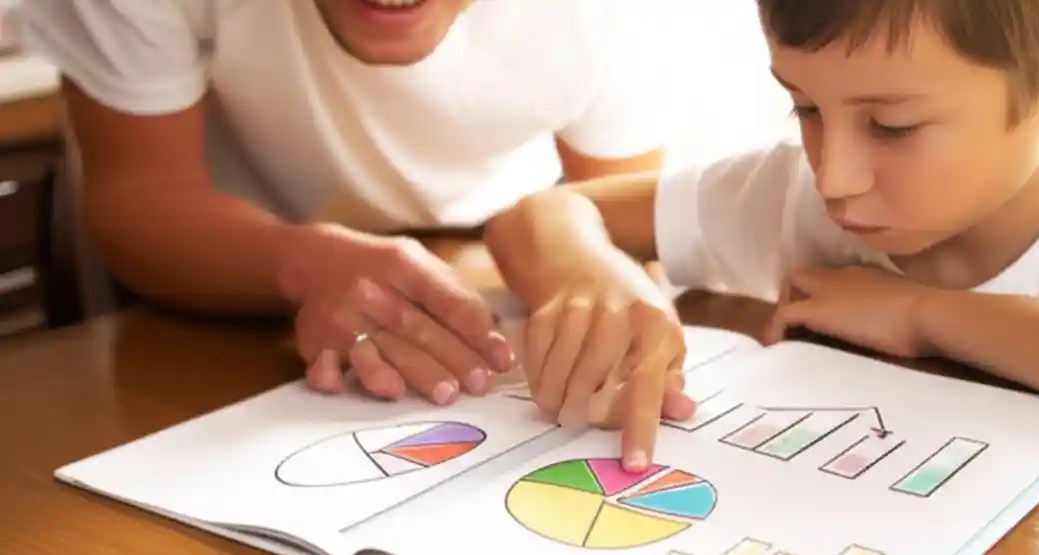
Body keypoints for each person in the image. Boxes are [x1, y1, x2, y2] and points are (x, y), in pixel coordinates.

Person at [485, 0, 1039, 470]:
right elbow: (539, 217)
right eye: (804, 108)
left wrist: (920, 313)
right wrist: (605, 285)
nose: (834, 176)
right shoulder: (789, 194)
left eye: (893, 126)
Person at [10, 0, 669, 404]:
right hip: (221, 293)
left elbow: (621, 215)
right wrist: (298, 265)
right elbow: (142, 197)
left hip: (498, 268)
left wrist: (583, 267)